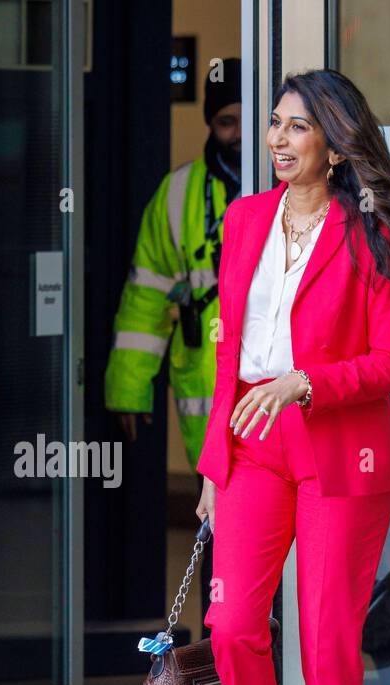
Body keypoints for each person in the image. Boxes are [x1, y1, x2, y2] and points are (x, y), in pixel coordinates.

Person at [195, 69, 390, 685]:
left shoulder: (374, 232)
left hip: (339, 451)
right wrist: (211, 464)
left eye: (297, 127)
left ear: (334, 143)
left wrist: (306, 381)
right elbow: (229, 351)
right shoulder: (245, 218)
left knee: (328, 639)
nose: (277, 141)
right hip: (251, 442)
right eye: (273, 125)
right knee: (229, 624)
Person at [105, 58, 241, 629]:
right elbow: (146, 300)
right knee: (222, 532)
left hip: (281, 396)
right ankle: (225, 664)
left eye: (246, 120)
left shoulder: (299, 184)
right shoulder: (179, 193)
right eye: (226, 121)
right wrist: (129, 389)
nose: (236, 134)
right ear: (210, 123)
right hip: (207, 394)